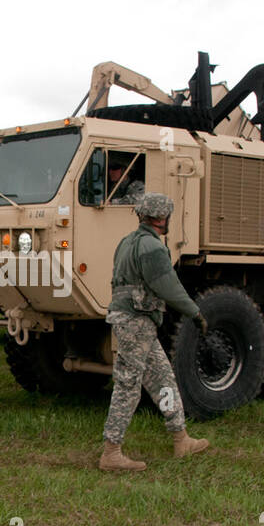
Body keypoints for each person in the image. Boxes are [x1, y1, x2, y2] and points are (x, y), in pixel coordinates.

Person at [100, 193, 209, 470]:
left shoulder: (127, 242)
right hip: (137, 323)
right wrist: (194, 312)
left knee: (164, 380)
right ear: (161, 217)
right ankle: (111, 452)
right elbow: (168, 286)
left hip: (135, 323)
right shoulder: (152, 247)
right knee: (128, 384)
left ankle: (181, 439)